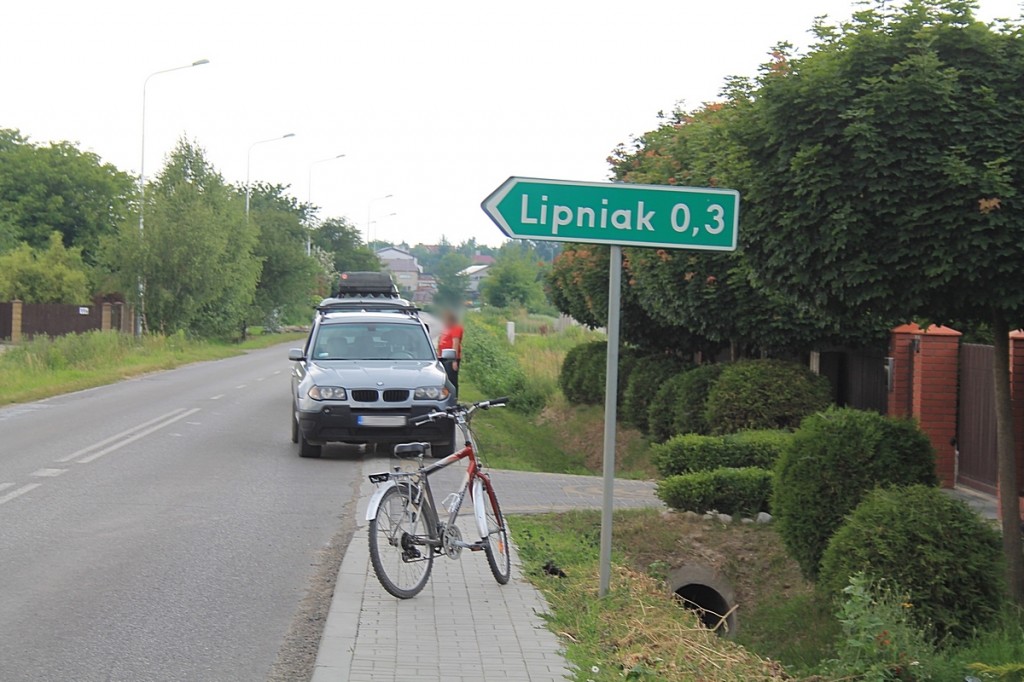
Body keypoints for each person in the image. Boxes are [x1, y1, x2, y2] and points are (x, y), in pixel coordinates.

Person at [436, 309, 463, 394]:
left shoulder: (456, 328)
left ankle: (453, 397)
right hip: (443, 357)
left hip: (450, 358)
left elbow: (455, 343)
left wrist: (454, 360)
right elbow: (440, 340)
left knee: (451, 380)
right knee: (443, 379)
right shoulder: (446, 328)